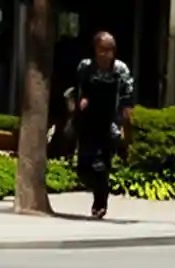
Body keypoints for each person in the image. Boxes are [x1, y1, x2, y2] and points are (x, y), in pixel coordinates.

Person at [73, 32, 135, 219]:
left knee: (100, 164)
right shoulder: (86, 67)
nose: (105, 54)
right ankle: (98, 189)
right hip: (88, 122)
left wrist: (126, 120)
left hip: (109, 123)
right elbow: (79, 89)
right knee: (83, 168)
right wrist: (81, 100)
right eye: (102, 49)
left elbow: (128, 95)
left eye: (109, 50)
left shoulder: (120, 70)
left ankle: (100, 201)